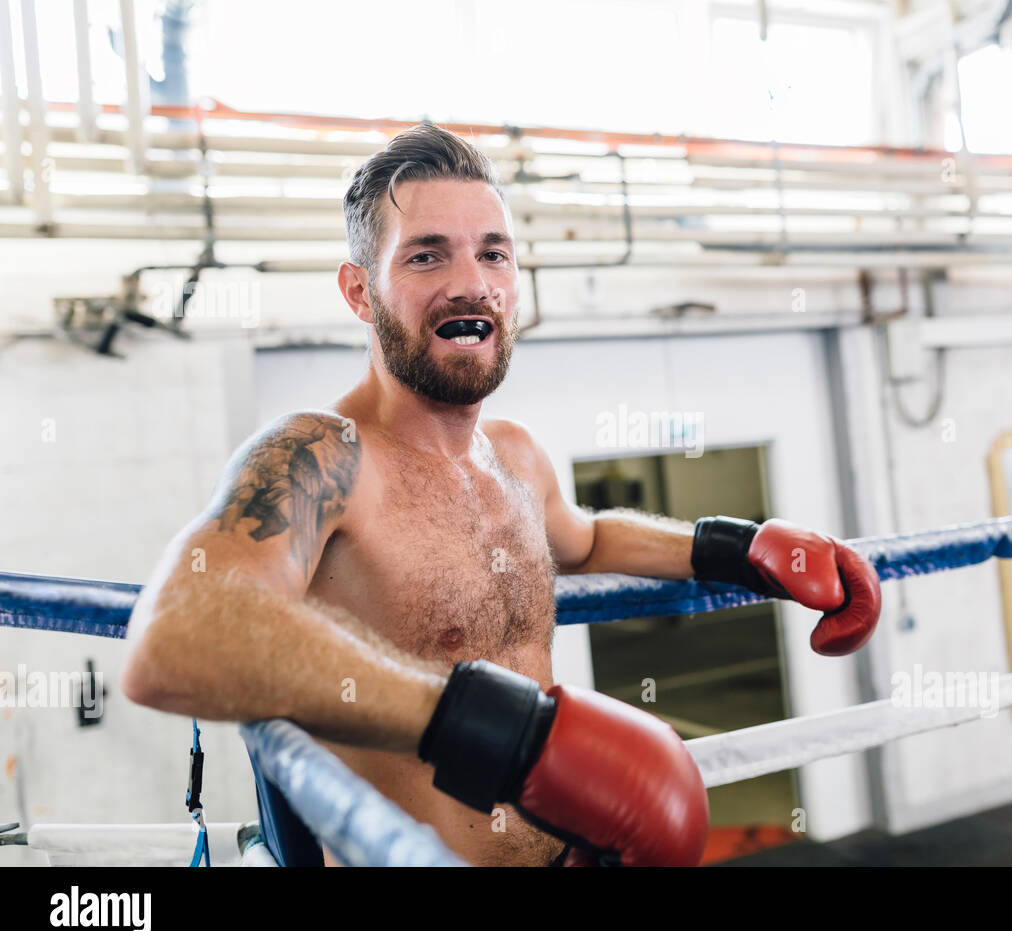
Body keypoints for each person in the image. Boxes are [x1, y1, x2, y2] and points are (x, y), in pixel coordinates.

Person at [121, 123, 882, 867]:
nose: (470, 283)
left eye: (494, 253)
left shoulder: (515, 454)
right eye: (426, 256)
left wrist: (739, 548)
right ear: (359, 291)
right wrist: (506, 732)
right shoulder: (322, 457)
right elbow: (177, 636)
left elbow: (584, 540)